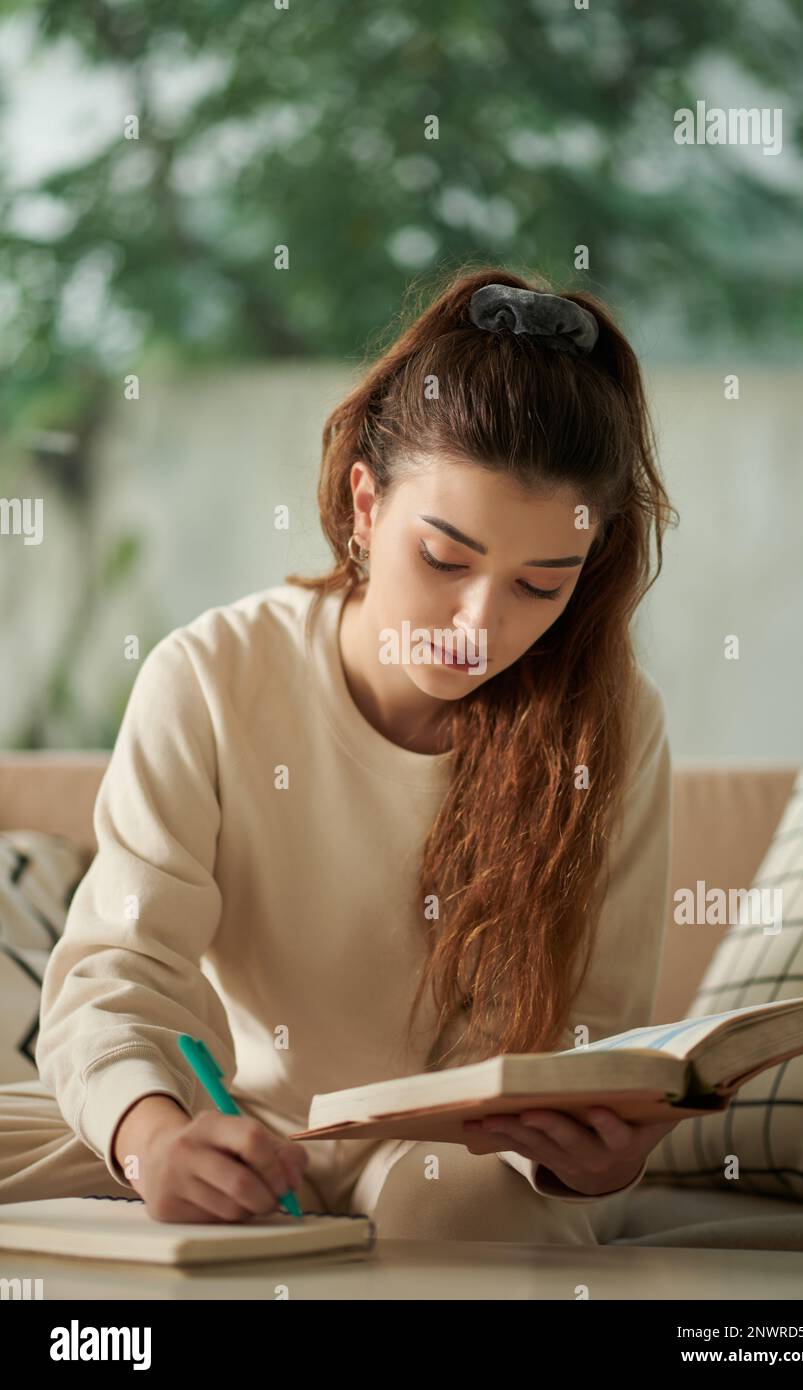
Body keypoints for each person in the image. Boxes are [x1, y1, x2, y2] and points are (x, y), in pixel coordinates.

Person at [0, 267, 681, 1244]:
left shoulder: (609, 722)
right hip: (242, 1124)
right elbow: (117, 971)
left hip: (459, 1154)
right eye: (444, 559)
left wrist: (599, 1155)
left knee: (449, 1205)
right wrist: (154, 1143)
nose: (478, 625)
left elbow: (593, 1033)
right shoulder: (211, 675)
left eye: (540, 584)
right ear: (365, 506)